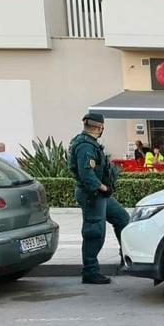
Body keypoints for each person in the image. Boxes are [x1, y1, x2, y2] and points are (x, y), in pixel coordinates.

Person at [69, 113, 129, 285]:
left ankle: (126, 257)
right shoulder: (85, 146)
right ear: (99, 127)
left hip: (100, 194)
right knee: (95, 232)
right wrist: (104, 187)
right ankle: (90, 271)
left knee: (123, 219)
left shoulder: (88, 143)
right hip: (92, 194)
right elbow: (87, 175)